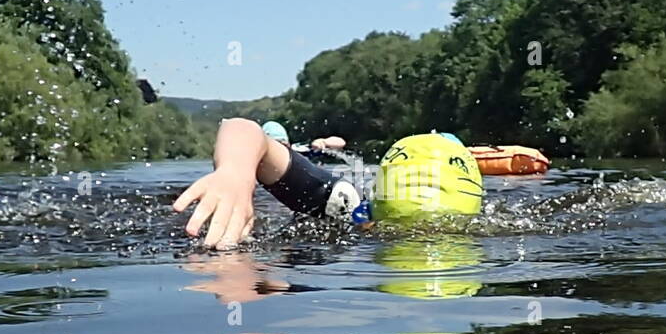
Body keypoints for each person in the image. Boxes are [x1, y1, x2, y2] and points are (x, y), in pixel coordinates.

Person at [173, 118, 483, 249]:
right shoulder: (339, 203)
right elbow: (242, 128)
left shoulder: (341, 210)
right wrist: (235, 172)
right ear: (369, 213)